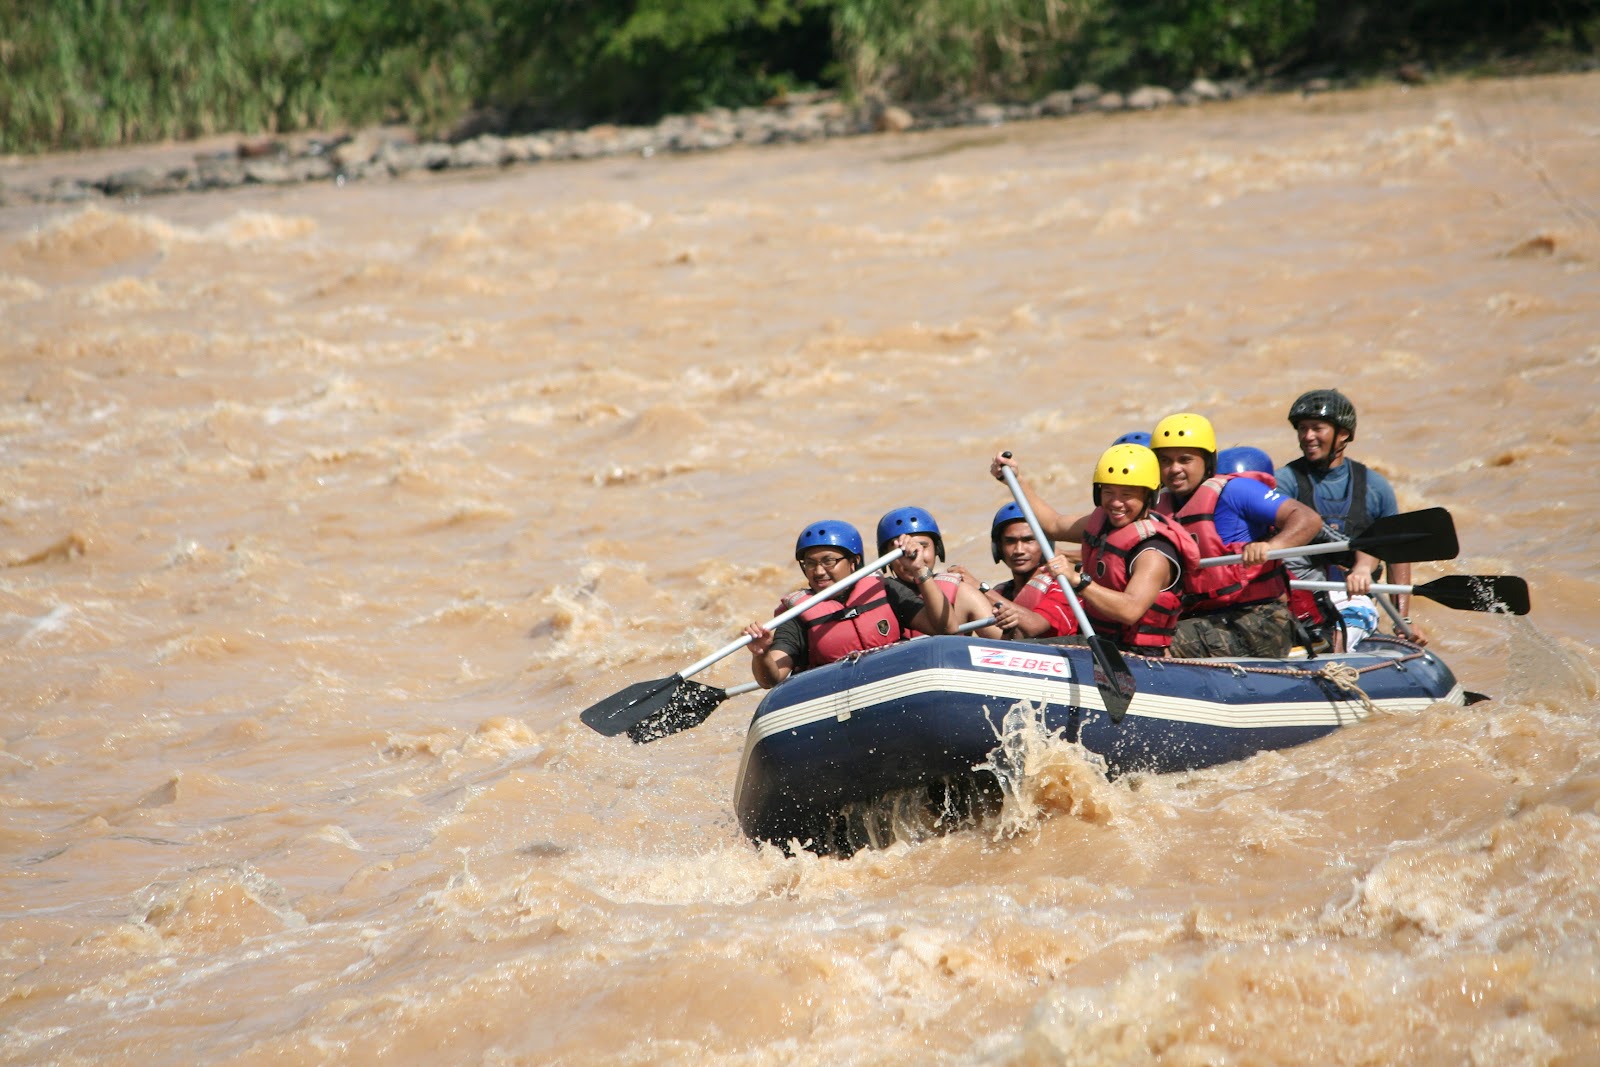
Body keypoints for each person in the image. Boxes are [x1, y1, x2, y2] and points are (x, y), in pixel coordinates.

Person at [990, 444, 1197, 655]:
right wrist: (1015, 480)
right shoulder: (1102, 523)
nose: (1116, 503)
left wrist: (1078, 580)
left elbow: (1130, 610)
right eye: (1109, 492)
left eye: (1127, 494)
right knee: (1013, 649)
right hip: (1100, 641)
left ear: (1148, 496)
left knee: (1020, 651)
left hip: (1138, 653)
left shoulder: (1153, 554)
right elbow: (1053, 525)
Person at [1148, 413, 1323, 658]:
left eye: (1185, 460)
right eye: (1165, 461)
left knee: (1152, 644)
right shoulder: (1158, 506)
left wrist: (1271, 547)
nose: (1174, 469)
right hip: (1198, 617)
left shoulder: (1237, 490)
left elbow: (1307, 519)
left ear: (1207, 461)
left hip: (1257, 620)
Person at [1275, 389, 1427, 647]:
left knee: (1343, 632)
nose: (1307, 437)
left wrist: (1404, 620)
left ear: (1343, 434)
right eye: (1302, 428)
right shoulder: (1285, 481)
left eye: (1317, 428)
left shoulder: (1376, 487)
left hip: (1353, 594)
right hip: (1300, 592)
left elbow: (1396, 554)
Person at [744, 519, 953, 688]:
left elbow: (945, 628)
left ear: (853, 562)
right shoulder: (798, 612)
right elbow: (771, 679)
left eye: (828, 561)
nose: (818, 571)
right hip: (837, 698)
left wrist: (919, 572)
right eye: (810, 563)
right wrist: (761, 654)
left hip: (893, 682)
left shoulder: (883, 589)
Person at [874, 506, 1002, 639]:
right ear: (886, 559)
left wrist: (920, 570)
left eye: (922, 547)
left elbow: (1002, 645)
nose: (912, 556)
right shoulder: (876, 599)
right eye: (901, 552)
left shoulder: (964, 594)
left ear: (937, 550)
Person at [983, 503, 1077, 640]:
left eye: (1028, 540)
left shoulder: (1062, 586)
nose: (1019, 550)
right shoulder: (1001, 592)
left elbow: (1035, 626)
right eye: (1010, 541)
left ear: (1046, 545)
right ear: (998, 548)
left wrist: (979, 588)